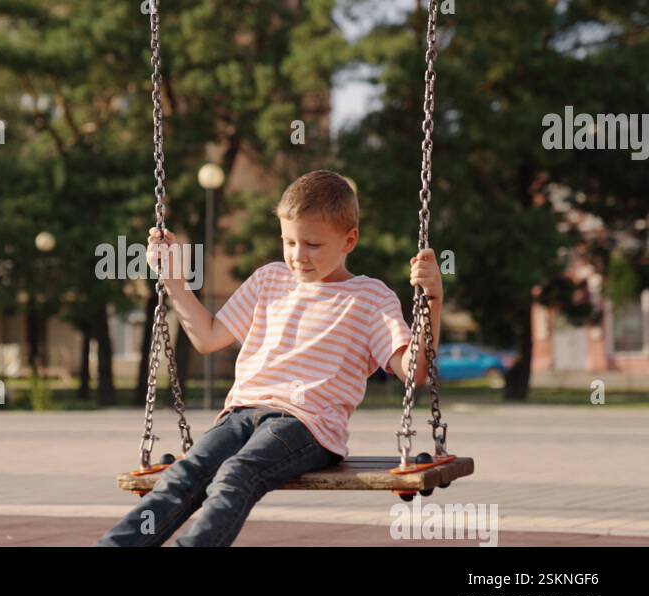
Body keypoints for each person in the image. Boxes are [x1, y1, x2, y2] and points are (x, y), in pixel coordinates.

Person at [95, 170, 443, 547]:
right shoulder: (268, 280)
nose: (297, 255)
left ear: (349, 240)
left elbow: (414, 372)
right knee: (184, 475)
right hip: (241, 413)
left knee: (235, 474)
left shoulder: (370, 297)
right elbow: (209, 337)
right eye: (288, 241)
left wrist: (432, 301)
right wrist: (173, 280)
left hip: (306, 425)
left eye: (312, 244)